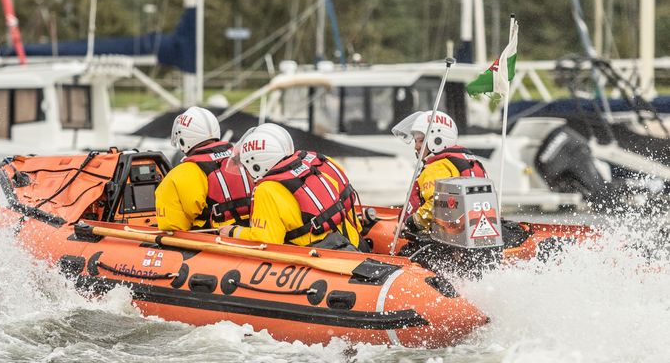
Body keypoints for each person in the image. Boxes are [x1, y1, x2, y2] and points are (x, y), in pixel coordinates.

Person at [218, 123, 364, 250]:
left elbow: (266, 240)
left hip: (322, 260)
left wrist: (233, 232)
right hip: (355, 245)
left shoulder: (267, 190)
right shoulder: (317, 163)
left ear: (256, 165)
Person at [155, 106, 252, 231]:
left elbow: (171, 228)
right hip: (250, 235)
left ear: (183, 138)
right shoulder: (245, 158)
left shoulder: (180, 175)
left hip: (213, 242)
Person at [391, 110, 487, 233]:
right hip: (468, 230)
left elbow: (436, 204)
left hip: (441, 238)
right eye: (415, 141)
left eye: (421, 141)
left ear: (437, 140)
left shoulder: (436, 167)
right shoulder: (464, 161)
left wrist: (411, 223)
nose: (416, 147)